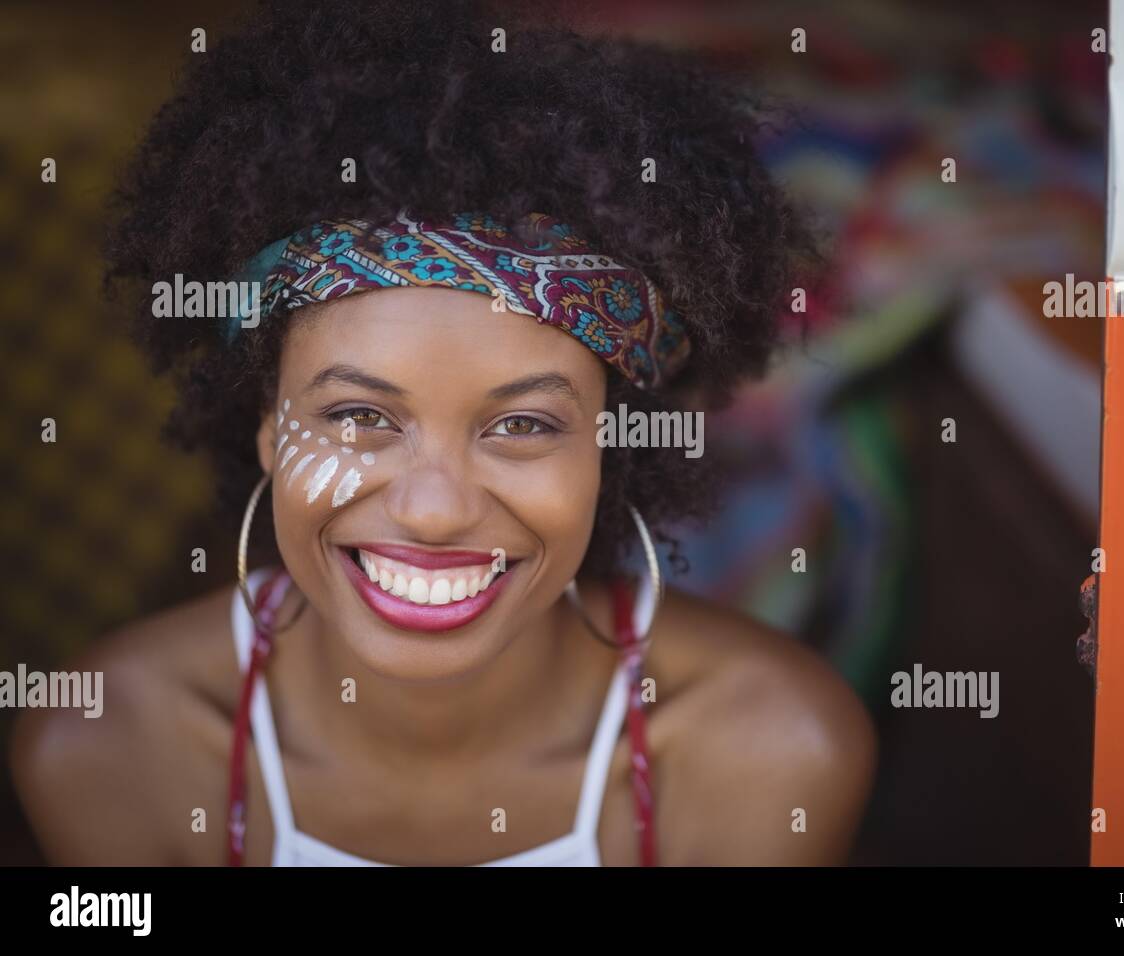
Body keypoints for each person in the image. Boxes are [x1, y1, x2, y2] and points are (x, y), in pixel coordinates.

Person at [11, 0, 875, 866]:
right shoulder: (109, 753)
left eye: (524, 424)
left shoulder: (769, 752)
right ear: (269, 428)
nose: (432, 511)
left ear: (610, 445)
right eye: (357, 415)